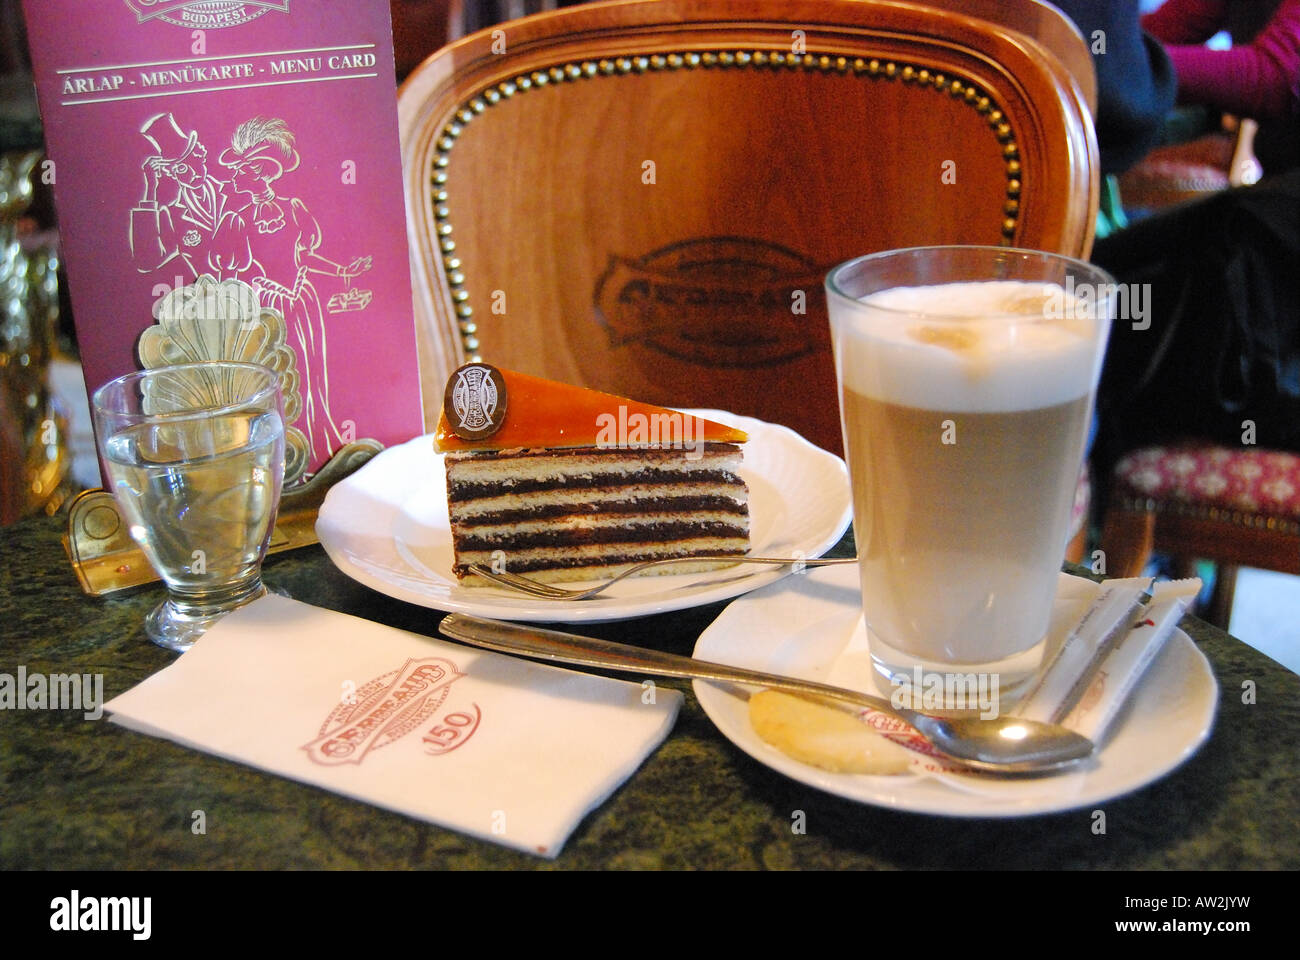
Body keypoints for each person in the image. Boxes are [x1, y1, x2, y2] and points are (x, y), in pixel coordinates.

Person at [219, 117, 371, 468]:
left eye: (241, 170)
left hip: (303, 299)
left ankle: (319, 445)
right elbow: (231, 274)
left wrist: (343, 271)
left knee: (312, 372)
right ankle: (281, 458)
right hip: (267, 306)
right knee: (277, 379)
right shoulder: (237, 219)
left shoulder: (293, 208)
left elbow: (304, 256)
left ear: (259, 172)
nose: (235, 176)